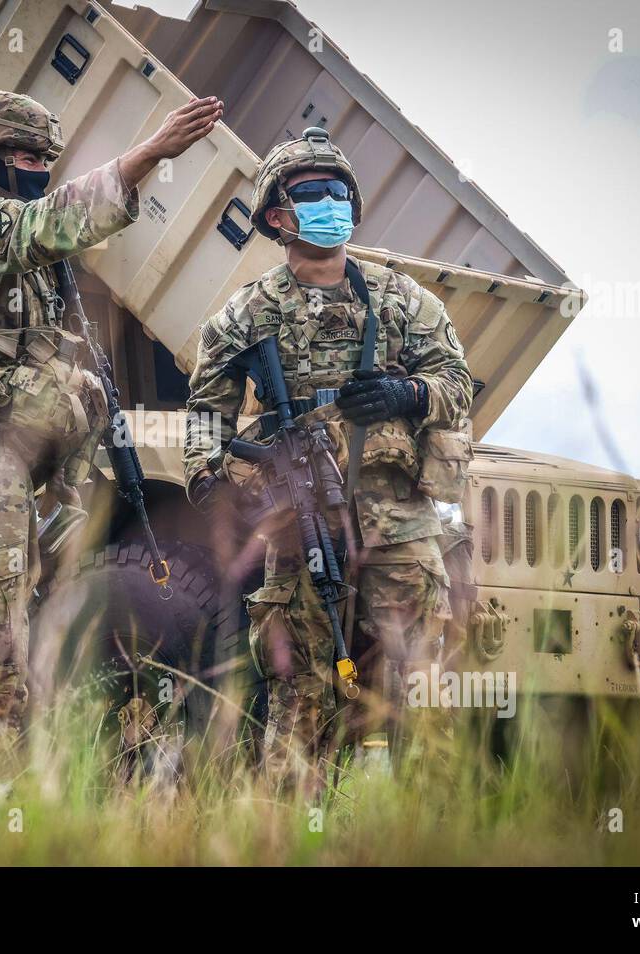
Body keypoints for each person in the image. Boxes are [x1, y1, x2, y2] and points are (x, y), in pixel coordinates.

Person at [0, 90, 223, 761]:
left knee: (1, 652)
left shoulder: (17, 257)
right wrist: (150, 153)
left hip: (0, 479)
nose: (40, 165)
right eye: (27, 154)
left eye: (46, 155)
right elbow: (52, 222)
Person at [182, 127, 473, 790]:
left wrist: (409, 391)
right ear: (278, 217)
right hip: (299, 524)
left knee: (423, 686)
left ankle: (434, 837)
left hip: (397, 524)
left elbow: (457, 388)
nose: (330, 203)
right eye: (313, 193)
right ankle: (290, 832)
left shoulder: (404, 302)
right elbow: (206, 410)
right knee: (298, 689)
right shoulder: (247, 313)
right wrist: (209, 484)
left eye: (339, 191)